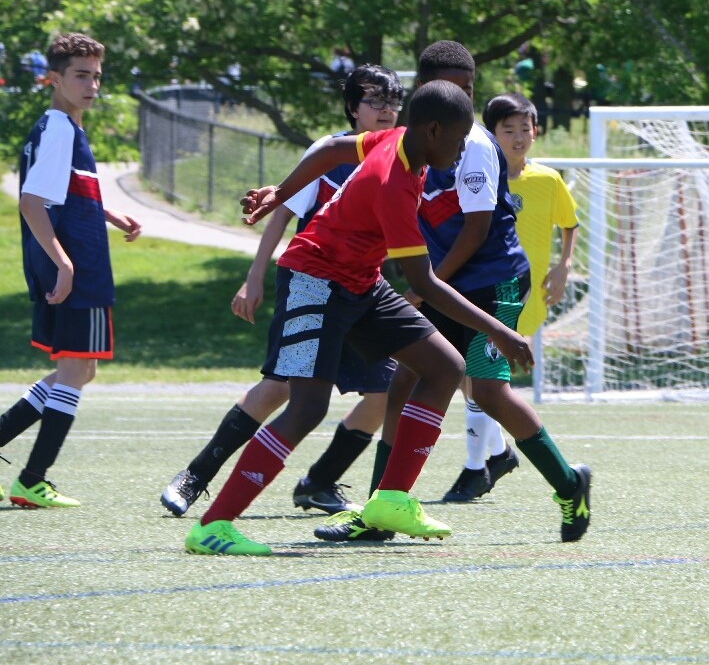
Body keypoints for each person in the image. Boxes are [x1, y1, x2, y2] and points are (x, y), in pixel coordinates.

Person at [183, 80, 533, 555]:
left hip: (360, 282)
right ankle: (213, 525)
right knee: (307, 407)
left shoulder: (397, 141)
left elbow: (330, 149)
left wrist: (280, 191)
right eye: (456, 141)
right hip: (313, 280)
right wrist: (499, 331)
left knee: (444, 367)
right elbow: (426, 284)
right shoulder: (394, 182)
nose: (460, 151)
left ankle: (389, 500)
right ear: (431, 131)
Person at [316, 42, 591, 545]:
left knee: (488, 391)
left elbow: (477, 228)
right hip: (444, 280)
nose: (464, 99)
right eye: (454, 89)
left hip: (494, 279)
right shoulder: (410, 139)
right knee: (403, 381)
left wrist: (425, 283)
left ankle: (570, 485)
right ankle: (382, 508)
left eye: (469, 90)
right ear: (425, 90)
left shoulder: (478, 145)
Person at [160, 64, 406, 519]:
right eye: (375, 101)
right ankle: (196, 476)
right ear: (353, 108)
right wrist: (253, 276)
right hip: (314, 287)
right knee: (277, 389)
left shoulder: (402, 155)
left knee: (386, 391)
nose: (387, 110)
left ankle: (319, 482)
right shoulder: (329, 153)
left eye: (393, 102)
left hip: (363, 290)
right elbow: (280, 212)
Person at [0, 33, 142, 508]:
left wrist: (110, 213)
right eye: (81, 75)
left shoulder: (59, 128)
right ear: (54, 78)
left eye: (97, 76)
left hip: (71, 266)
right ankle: (32, 479)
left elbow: (61, 194)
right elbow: (31, 202)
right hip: (77, 271)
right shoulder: (60, 128)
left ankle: (28, 474)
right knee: (78, 369)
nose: (92, 85)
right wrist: (63, 262)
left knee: (76, 370)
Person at [441, 92, 579, 503]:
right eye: (508, 130)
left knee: (479, 381)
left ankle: (475, 469)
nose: (519, 138)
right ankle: (498, 454)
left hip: (516, 293)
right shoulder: (476, 175)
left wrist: (563, 266)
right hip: (481, 290)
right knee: (471, 381)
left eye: (526, 129)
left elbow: (569, 223)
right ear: (490, 133)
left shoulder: (547, 179)